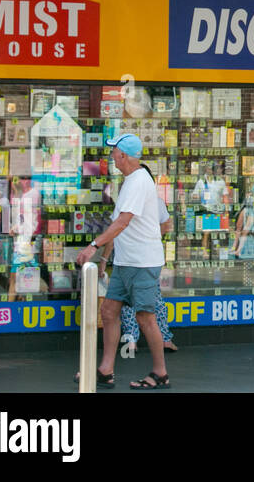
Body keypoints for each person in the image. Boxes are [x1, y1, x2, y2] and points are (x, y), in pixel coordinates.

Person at [74, 133, 170, 390]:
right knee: (109, 312)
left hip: (142, 262)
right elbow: (120, 226)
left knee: (144, 317)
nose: (111, 156)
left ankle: (160, 372)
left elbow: (122, 222)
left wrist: (93, 247)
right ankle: (105, 370)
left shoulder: (138, 182)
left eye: (113, 151)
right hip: (127, 262)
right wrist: (106, 257)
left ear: (123, 155)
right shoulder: (130, 181)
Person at [112, 172, 179, 354]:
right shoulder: (153, 201)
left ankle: (132, 343)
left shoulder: (140, 200)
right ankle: (162, 341)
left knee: (134, 306)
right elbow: (165, 225)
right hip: (141, 260)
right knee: (152, 304)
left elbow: (116, 228)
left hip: (137, 261)